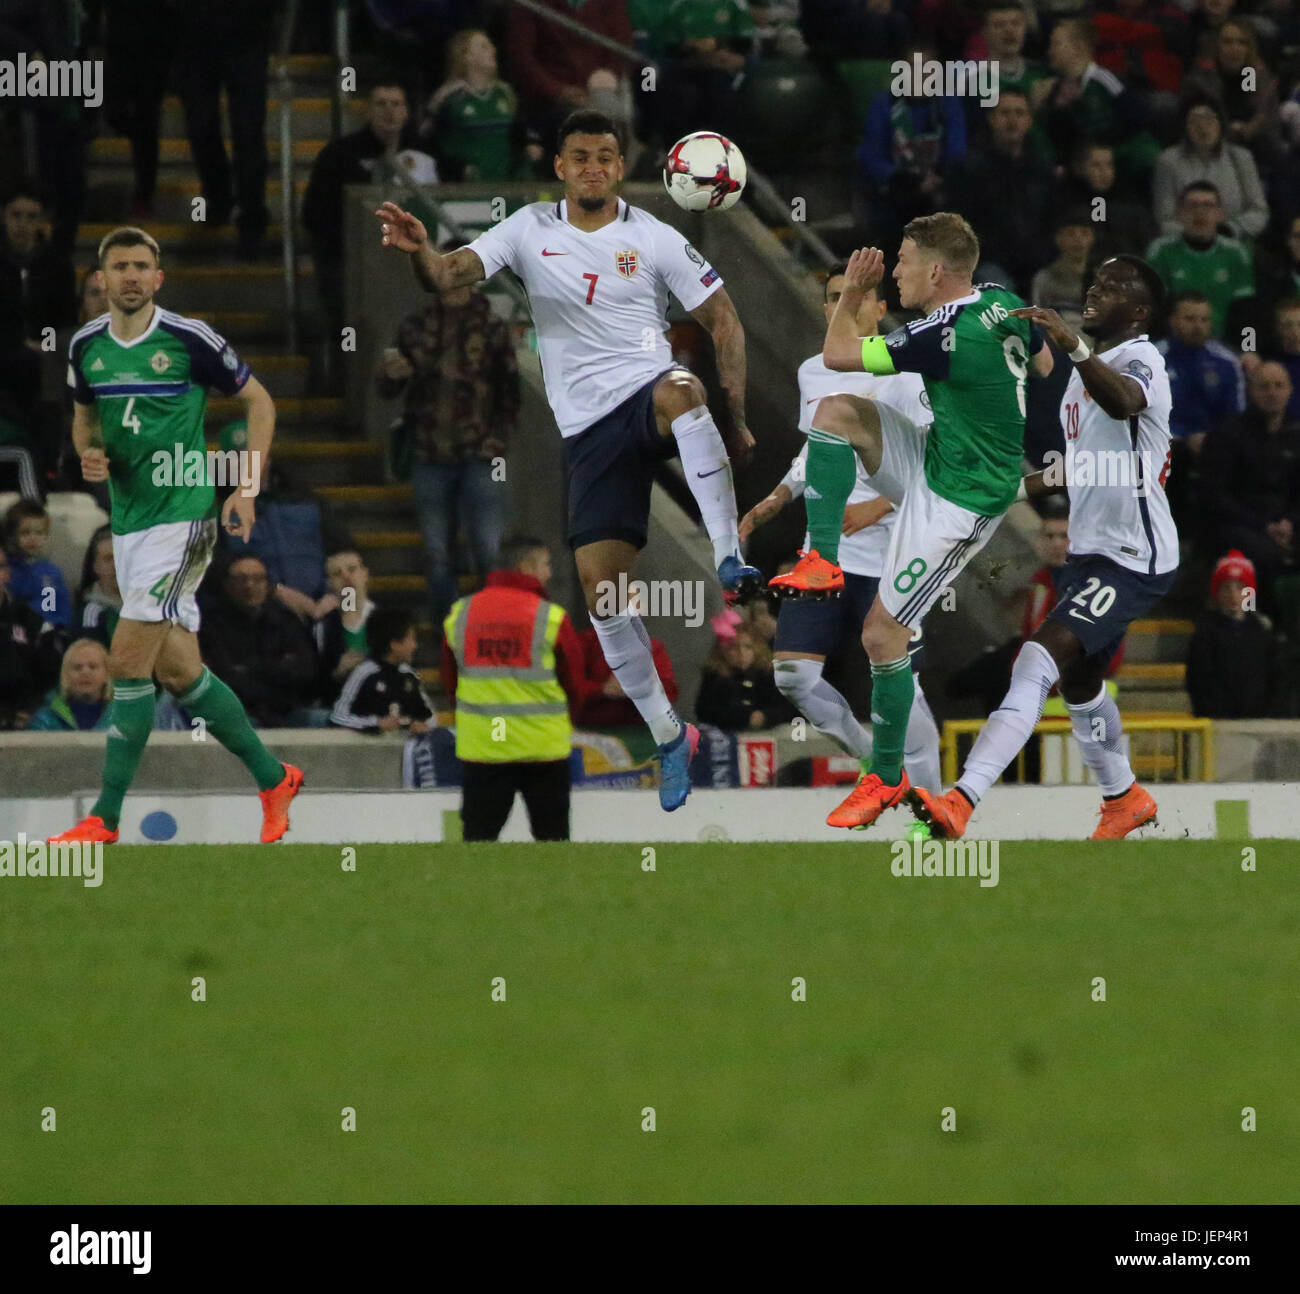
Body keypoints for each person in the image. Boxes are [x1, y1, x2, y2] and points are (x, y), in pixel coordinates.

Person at [376, 109, 763, 813]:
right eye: (579, 155)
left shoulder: (654, 236)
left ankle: (727, 548)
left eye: (606, 156)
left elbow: (725, 320)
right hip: (588, 431)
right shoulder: (528, 229)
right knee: (606, 603)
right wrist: (417, 250)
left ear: (621, 167)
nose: (592, 167)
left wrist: (734, 415)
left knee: (684, 392)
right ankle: (672, 737)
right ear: (560, 165)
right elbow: (448, 274)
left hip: (646, 390)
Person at [50, 227, 301, 846]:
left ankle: (103, 819)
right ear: (100, 280)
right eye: (119, 266)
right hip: (131, 524)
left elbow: (260, 402)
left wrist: (243, 486)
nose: (131, 276)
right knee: (181, 673)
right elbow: (85, 423)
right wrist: (90, 455)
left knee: (125, 660)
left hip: (185, 516)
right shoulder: (85, 347)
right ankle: (274, 778)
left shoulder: (189, 338)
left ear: (158, 278)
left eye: (142, 266)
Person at [913, 256, 1178, 841]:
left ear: (1138, 312)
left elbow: (1126, 404)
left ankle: (961, 799)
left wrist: (1073, 347)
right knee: (1080, 683)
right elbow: (1075, 467)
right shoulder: (1088, 378)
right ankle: (1123, 797)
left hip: (1134, 556)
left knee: (1035, 660)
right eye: (1096, 280)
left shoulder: (1142, 360)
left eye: (1112, 286)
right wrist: (1003, 489)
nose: (1095, 288)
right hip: (1090, 554)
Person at [806, 213, 1053, 829]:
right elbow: (1044, 367)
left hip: (963, 499)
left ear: (937, 272)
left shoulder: (945, 333)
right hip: (939, 454)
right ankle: (820, 560)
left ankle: (886, 777)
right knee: (838, 414)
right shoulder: (1000, 299)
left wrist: (855, 292)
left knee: (880, 635)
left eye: (903, 261)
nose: (895, 271)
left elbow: (838, 352)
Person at [739, 265, 943, 808]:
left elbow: (938, 460)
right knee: (792, 677)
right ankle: (871, 757)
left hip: (897, 555)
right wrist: (780, 496)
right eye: (832, 298)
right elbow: (815, 452)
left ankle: (933, 804)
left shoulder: (909, 368)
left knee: (899, 685)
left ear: (880, 308)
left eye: (856, 296)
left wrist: (880, 504)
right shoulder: (814, 371)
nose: (843, 305)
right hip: (827, 554)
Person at [375, 240, 519, 642]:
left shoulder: (491, 328)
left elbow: (510, 394)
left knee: (488, 552)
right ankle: (448, 634)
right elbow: (386, 386)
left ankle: (491, 629)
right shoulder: (417, 324)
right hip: (429, 451)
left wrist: (497, 442)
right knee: (437, 554)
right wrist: (393, 374)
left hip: (479, 452)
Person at [440, 537, 588, 842]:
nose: (549, 573)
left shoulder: (461, 613)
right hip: (543, 748)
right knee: (553, 842)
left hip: (485, 748)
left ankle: (474, 891)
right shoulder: (550, 617)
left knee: (478, 841)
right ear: (526, 567)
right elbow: (575, 681)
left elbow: (450, 680)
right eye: (546, 565)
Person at [303, 83, 438, 338]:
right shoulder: (340, 154)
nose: (390, 111)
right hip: (354, 265)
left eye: (396, 104)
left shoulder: (424, 155)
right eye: (381, 104)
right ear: (367, 110)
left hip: (410, 261)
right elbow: (315, 214)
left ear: (407, 112)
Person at [173, 0, 272, 258]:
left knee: (248, 132)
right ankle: (218, 198)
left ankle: (251, 217)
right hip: (192, 32)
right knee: (200, 126)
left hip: (247, 31)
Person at [1200, 361, 1300, 615]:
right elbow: (1215, 495)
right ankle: (1261, 626)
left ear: (1290, 390)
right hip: (1239, 525)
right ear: (1251, 391)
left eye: (1279, 386)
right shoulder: (1227, 435)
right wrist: (1263, 525)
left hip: (1286, 524)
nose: (1272, 392)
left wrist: (1290, 522)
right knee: (1261, 554)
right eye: (1264, 386)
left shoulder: (1296, 435)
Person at [947, 89, 1056, 294]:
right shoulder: (969, 168)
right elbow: (959, 224)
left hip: (1036, 262)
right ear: (991, 120)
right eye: (1005, 113)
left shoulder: (1042, 169)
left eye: (1019, 113)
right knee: (1002, 294)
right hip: (988, 261)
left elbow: (1052, 218)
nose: (1012, 120)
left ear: (1029, 121)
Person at [199, 554, 323, 728]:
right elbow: (226, 678)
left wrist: (250, 669)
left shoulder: (286, 621)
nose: (250, 586)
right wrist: (279, 667)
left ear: (267, 585)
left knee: (325, 720)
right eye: (241, 579)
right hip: (240, 713)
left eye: (258, 579)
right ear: (227, 584)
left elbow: (307, 673)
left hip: (289, 710)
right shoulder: (211, 625)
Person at [424, 29, 542, 182]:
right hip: (466, 188)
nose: (493, 50)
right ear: (466, 56)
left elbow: (522, 133)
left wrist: (530, 146)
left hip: (507, 185)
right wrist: (455, 169)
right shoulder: (448, 98)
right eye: (484, 47)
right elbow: (431, 142)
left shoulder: (506, 95)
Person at [1146, 181, 1253, 337]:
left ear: (1220, 213)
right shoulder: (1161, 251)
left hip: (1224, 344)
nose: (1200, 212)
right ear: (1179, 212)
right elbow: (1156, 309)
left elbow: (1247, 313)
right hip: (1173, 344)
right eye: (1192, 205)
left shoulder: (1236, 253)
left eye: (1208, 205)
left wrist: (1248, 348)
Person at [1152, 98, 1268, 240]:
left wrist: (1230, 230)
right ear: (1184, 126)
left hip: (1233, 241)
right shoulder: (1168, 161)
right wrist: (1195, 235)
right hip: (1183, 243)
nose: (1203, 127)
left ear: (1220, 124)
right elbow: (1165, 217)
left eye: (1209, 120)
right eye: (1195, 121)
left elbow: (1259, 211)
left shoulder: (1241, 157)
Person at [1186, 549, 1277, 718]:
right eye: (1226, 588)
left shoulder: (1260, 629)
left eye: (1240, 588)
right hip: (1217, 717)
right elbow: (1197, 676)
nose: (1233, 595)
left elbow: (1271, 675)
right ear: (1217, 593)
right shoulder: (1206, 629)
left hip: (1255, 716)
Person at [330, 606, 433, 734]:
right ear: (394, 644)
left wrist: (421, 724)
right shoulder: (365, 673)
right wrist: (376, 724)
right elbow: (338, 717)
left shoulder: (409, 675)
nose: (415, 645)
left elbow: (430, 718)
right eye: (411, 639)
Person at [0, 544, 60, 729]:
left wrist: (33, 711)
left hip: (24, 723)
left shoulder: (32, 622)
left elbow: (52, 678)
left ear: (6, 574)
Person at [574, 621, 676, 728]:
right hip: (589, 726)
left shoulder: (650, 648)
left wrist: (643, 688)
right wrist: (601, 689)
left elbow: (670, 691)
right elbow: (568, 686)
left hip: (637, 728)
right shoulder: (583, 644)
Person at [695, 626, 794, 731]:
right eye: (734, 647)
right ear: (722, 650)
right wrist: (744, 718)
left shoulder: (767, 675)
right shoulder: (715, 677)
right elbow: (704, 711)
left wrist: (765, 717)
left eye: (748, 647)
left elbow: (784, 709)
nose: (742, 653)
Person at [314, 547, 376, 702]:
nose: (346, 577)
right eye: (337, 574)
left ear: (365, 574)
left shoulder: (386, 621)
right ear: (330, 583)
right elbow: (314, 684)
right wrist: (337, 674)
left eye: (352, 569)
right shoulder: (322, 629)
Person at [3, 498, 71, 627]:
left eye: (39, 533)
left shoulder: (52, 571)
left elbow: (62, 604)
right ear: (12, 535)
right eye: (25, 533)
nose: (32, 538)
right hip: (23, 632)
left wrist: (60, 626)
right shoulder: (9, 571)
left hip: (52, 631)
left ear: (46, 535)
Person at [1029, 210, 1097, 334]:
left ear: (1093, 238)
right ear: (1058, 238)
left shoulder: (1100, 278)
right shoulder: (1044, 278)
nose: (1078, 241)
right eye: (1071, 234)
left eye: (1084, 234)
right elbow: (1036, 319)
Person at [27, 638, 115, 731]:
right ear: (66, 676)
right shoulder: (44, 721)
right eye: (77, 667)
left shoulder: (123, 718)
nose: (85, 672)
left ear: (107, 674)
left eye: (93, 667)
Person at [75, 523, 123, 646]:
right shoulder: (91, 614)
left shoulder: (148, 606)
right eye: (108, 559)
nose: (115, 565)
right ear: (96, 566)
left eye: (120, 557)